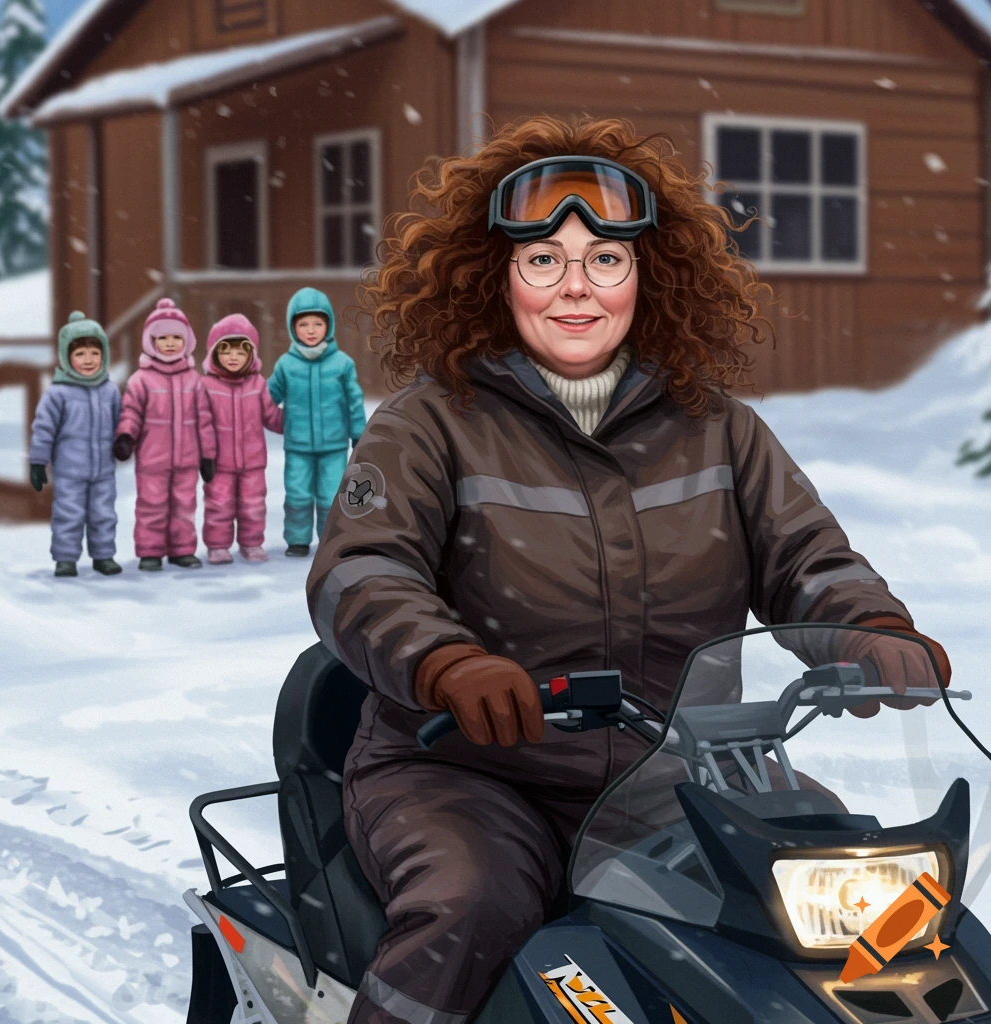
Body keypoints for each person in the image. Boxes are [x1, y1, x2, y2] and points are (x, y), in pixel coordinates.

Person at [305, 115, 952, 1024]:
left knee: (859, 900)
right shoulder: (429, 424)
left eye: (606, 259)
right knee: (469, 909)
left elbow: (810, 557)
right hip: (469, 772)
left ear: (650, 277)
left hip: (674, 774)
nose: (577, 288)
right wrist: (448, 664)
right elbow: (362, 573)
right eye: (543, 261)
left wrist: (870, 628)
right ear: (495, 277)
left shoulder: (718, 428)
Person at [114, 297, 216, 571]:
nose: (170, 343)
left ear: (186, 342)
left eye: (176, 337)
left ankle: (182, 550)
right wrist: (126, 436)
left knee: (184, 507)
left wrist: (208, 455)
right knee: (151, 506)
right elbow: (131, 412)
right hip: (152, 459)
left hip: (187, 459)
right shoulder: (141, 380)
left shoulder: (194, 380)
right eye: (162, 338)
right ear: (151, 342)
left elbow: (204, 420)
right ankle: (150, 552)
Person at [267, 287, 366, 557]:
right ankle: (297, 540)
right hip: (298, 445)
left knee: (331, 495)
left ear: (328, 325)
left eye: (318, 323)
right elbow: (267, 399)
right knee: (298, 495)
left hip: (334, 444)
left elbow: (354, 401)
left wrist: (359, 433)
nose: (311, 330)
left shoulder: (342, 364)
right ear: (292, 327)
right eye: (303, 324)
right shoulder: (286, 365)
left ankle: (329, 539)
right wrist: (279, 422)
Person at [29, 310, 122, 577]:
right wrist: (37, 461)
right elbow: (44, 428)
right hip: (70, 470)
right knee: (68, 514)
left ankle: (103, 556)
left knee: (103, 514)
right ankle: (65, 559)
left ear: (103, 354)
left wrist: (124, 441)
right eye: (80, 354)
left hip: (103, 469)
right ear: (67, 358)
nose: (88, 360)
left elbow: (121, 421)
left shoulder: (109, 389)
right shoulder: (58, 393)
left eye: (94, 353)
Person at [200, 313, 283, 564]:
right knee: (219, 505)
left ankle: (252, 543)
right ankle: (218, 546)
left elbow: (272, 416)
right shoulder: (207, 386)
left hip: (252, 462)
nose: (233, 357)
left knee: (253, 505)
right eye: (226, 351)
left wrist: (297, 422)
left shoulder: (257, 384)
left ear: (251, 355)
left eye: (240, 351)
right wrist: (206, 455)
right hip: (219, 463)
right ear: (214, 354)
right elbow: (202, 424)